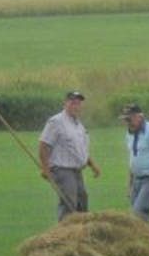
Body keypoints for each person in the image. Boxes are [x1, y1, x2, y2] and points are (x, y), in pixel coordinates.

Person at [38, 90, 102, 221]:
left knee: (82, 200)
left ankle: (80, 234)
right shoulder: (56, 122)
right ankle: (63, 236)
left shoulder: (79, 125)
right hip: (62, 170)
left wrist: (92, 165)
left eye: (78, 103)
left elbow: (80, 150)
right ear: (65, 103)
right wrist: (45, 168)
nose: (76, 106)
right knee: (69, 203)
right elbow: (43, 145)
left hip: (77, 171)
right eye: (73, 103)